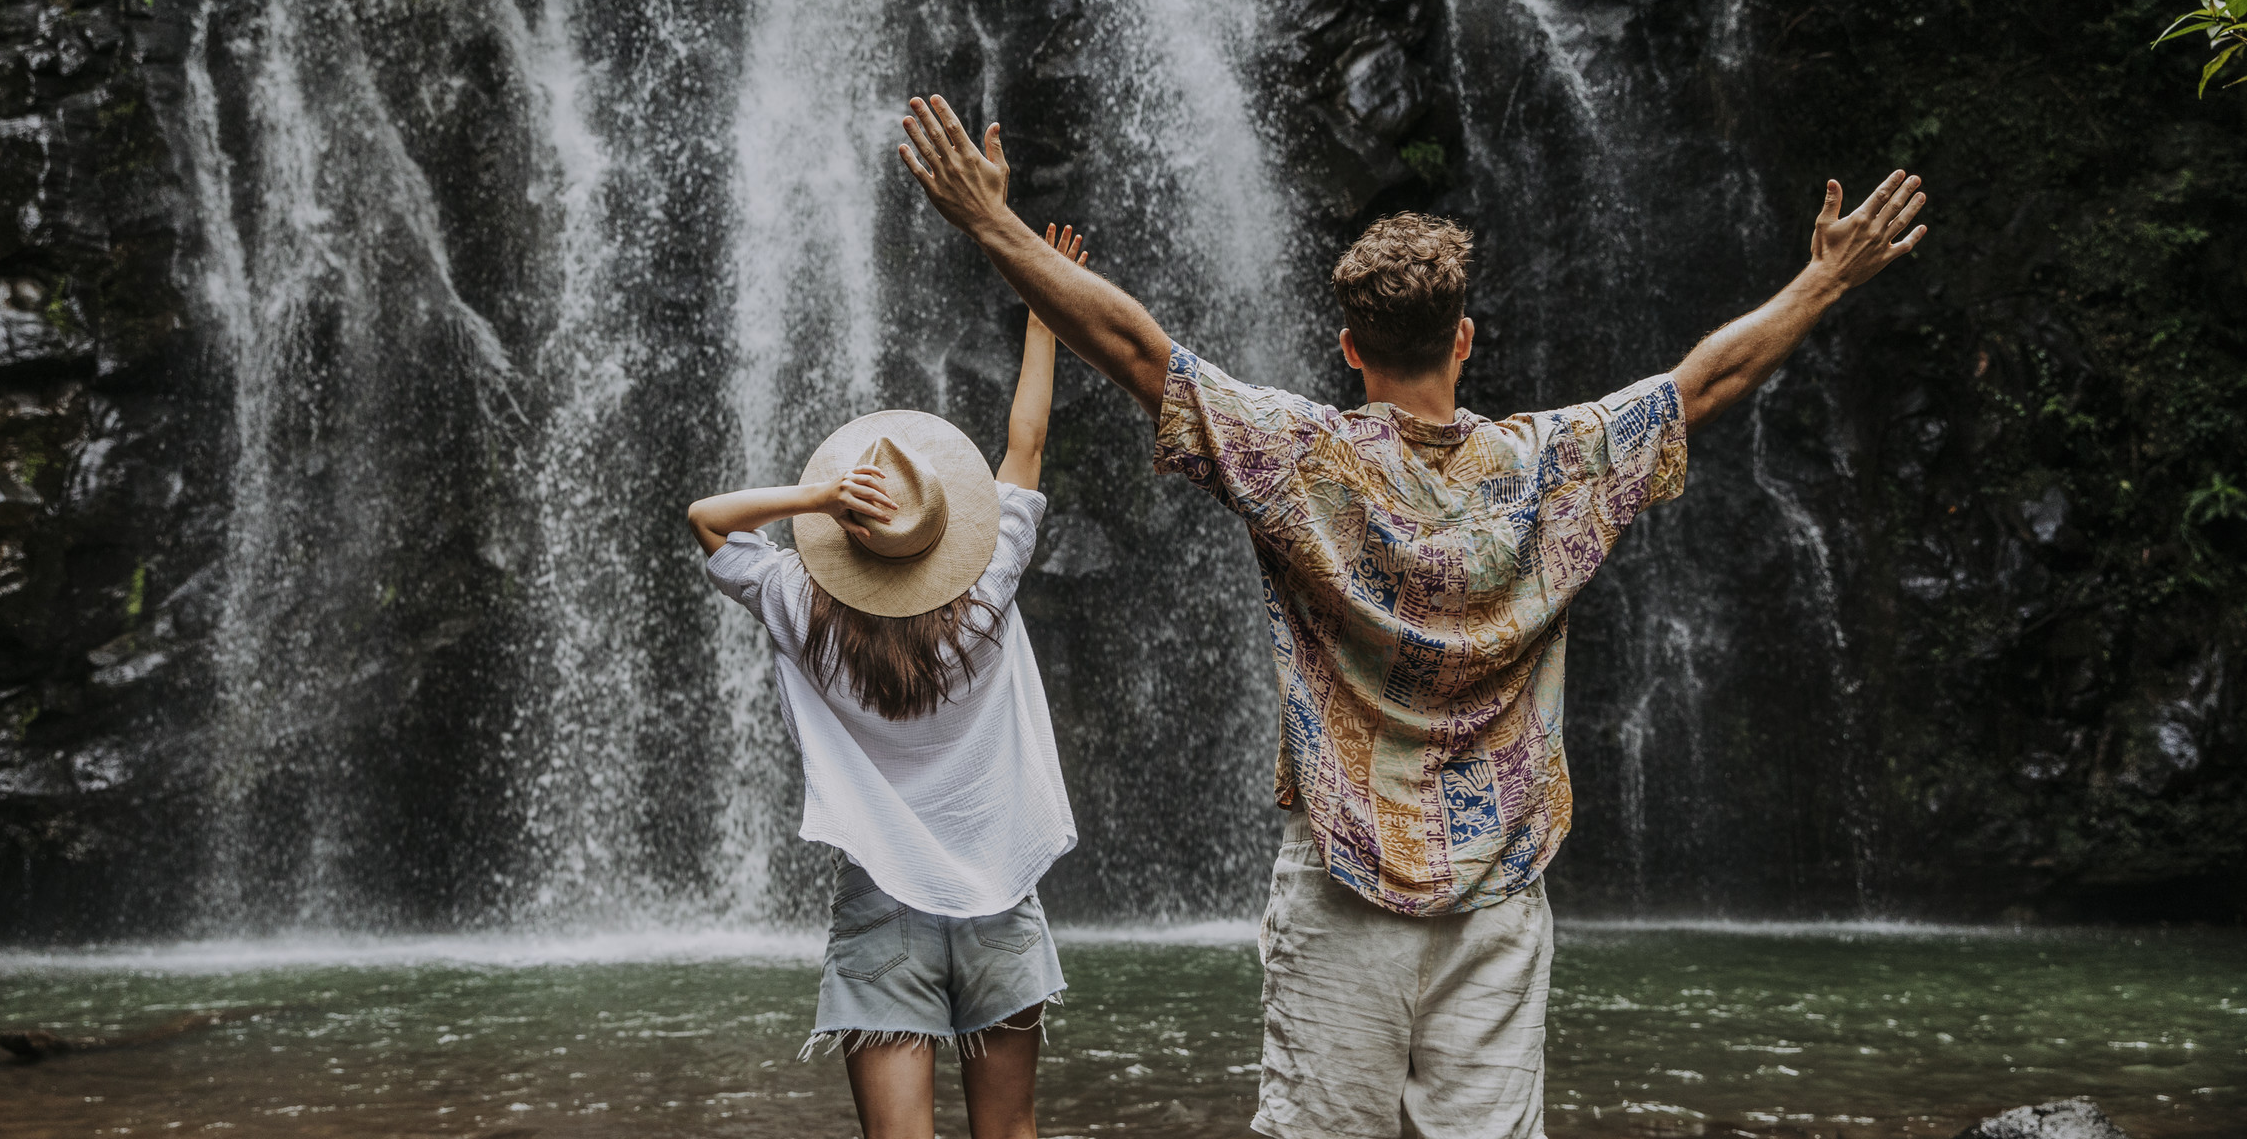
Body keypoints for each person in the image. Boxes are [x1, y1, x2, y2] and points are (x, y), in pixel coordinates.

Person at [894, 94, 1929, 1139]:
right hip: (1497, 891)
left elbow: (1132, 350)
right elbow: (1708, 384)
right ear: (1464, 338)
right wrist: (1827, 275)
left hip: (1341, 876)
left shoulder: (1299, 461)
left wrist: (992, 224)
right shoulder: (1550, 469)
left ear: (1349, 346)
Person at [687, 226, 1092, 1139]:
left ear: (844, 544)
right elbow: (1024, 446)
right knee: (1011, 1133)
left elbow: (708, 521)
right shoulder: (988, 594)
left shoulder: (802, 609)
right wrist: (1045, 313)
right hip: (1000, 892)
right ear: (946, 534)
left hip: (881, 901)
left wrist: (813, 503)